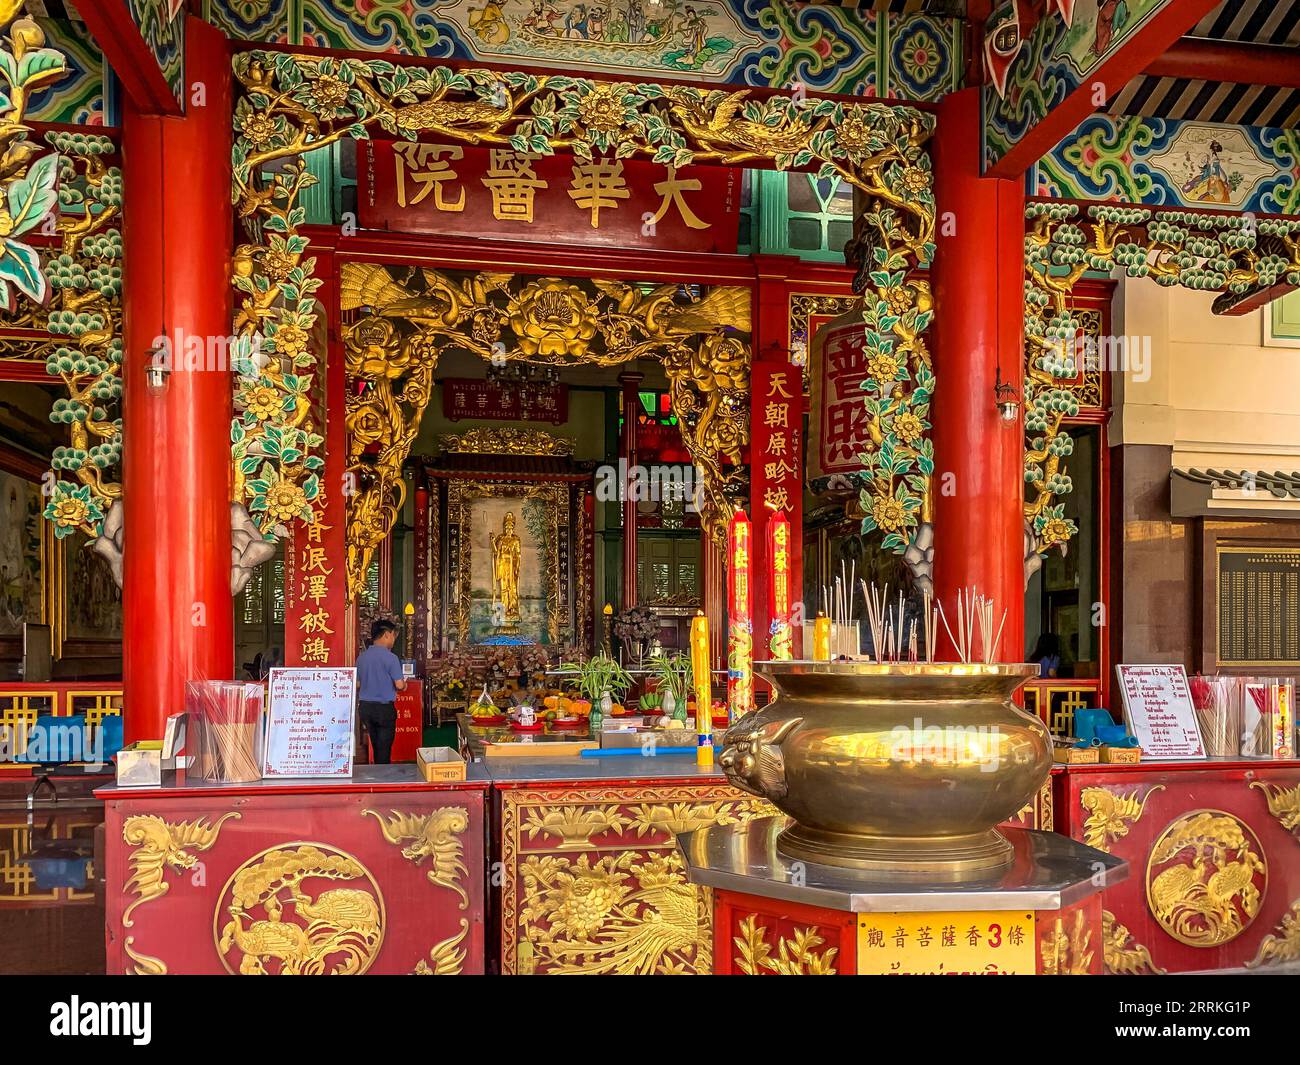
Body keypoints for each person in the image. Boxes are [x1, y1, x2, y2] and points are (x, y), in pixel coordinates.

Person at [356, 619, 408, 764]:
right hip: (384, 709)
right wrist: (404, 686)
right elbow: (399, 685)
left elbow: (358, 684)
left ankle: (377, 776)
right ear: (386, 634)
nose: (393, 640)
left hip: (366, 708)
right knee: (384, 749)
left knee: (376, 743)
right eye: (393, 636)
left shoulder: (361, 658)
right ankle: (383, 779)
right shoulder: (391, 658)